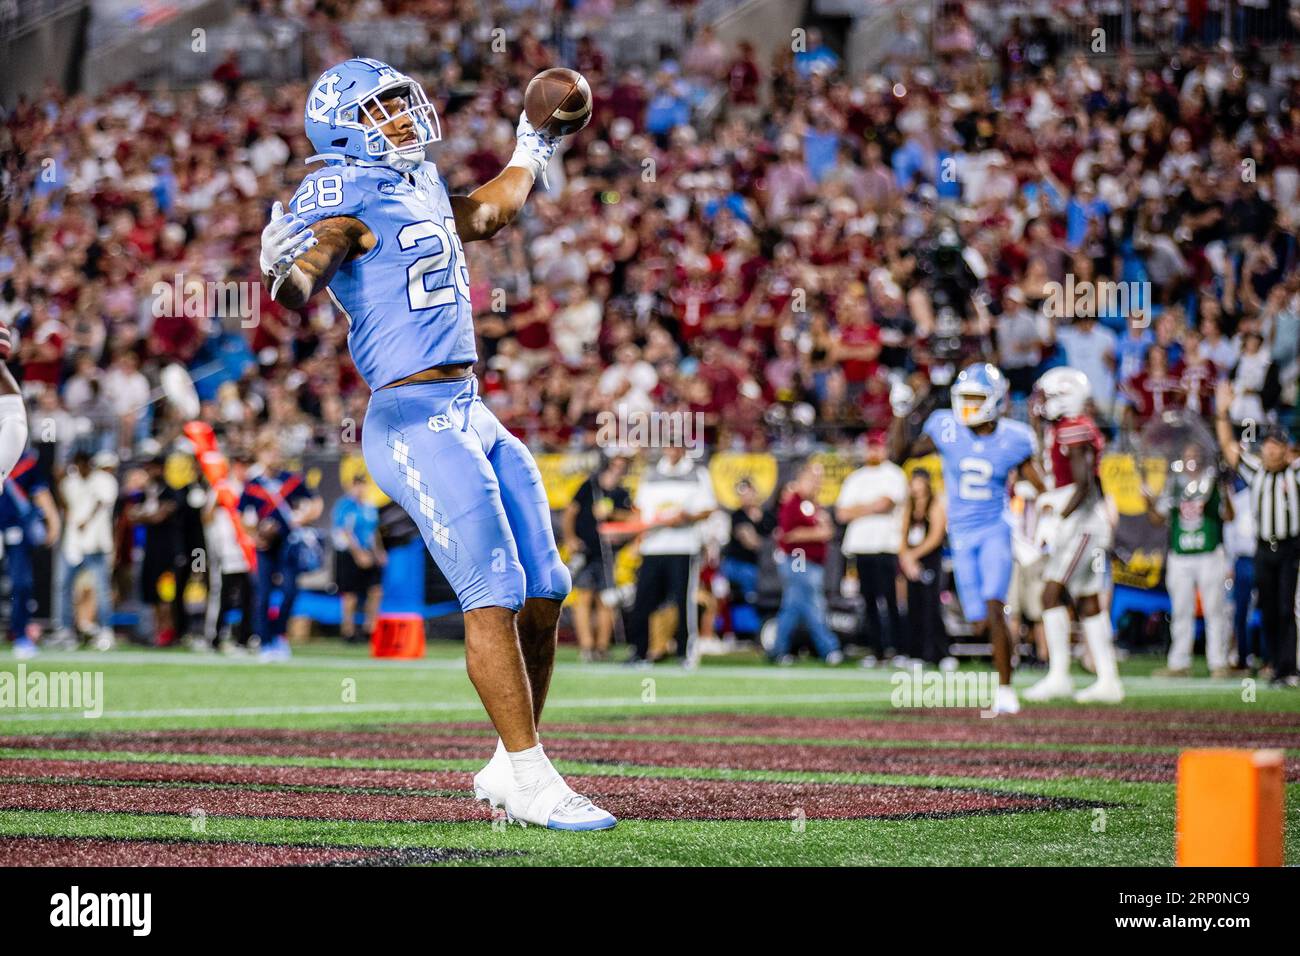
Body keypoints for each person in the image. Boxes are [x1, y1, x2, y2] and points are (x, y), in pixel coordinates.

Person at [259, 58, 614, 829]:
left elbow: (485, 216)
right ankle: (530, 775)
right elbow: (305, 274)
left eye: (400, 101)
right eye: (383, 107)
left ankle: (508, 761)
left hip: (470, 408)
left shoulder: (413, 184)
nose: (402, 115)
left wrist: (533, 147)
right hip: (412, 417)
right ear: (343, 126)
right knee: (493, 590)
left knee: (546, 586)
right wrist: (284, 269)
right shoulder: (339, 191)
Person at [890, 363, 1043, 715]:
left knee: (994, 603)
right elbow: (900, 455)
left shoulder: (1014, 438)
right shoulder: (947, 428)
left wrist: (1051, 506)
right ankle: (1009, 653)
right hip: (960, 535)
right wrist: (899, 414)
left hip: (995, 529)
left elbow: (1040, 482)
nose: (969, 407)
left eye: (977, 399)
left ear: (995, 401)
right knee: (978, 623)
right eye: (965, 398)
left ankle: (1005, 689)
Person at [1024, 367, 1124, 703]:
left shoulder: (1075, 429)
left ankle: (1059, 675)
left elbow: (1083, 485)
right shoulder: (1068, 428)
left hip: (1080, 524)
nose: (1041, 404)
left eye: (1047, 397)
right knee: (1088, 601)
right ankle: (1108, 680)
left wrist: (1058, 519)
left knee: (1050, 595)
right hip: (1086, 521)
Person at [1215, 381, 1300, 687]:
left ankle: (1289, 668)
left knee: (1285, 607)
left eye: (1275, 444)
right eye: (1266, 444)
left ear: (1286, 449)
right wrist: (1222, 412)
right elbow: (1229, 449)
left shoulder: (1294, 473)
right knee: (1267, 607)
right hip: (1262, 548)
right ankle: (1275, 664)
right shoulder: (1257, 471)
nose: (1269, 448)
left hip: (1290, 547)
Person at [1143, 442, 1237, 678]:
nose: (1191, 460)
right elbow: (1158, 518)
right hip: (1181, 555)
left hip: (1208, 552)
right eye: (1188, 455)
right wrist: (1146, 501)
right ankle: (1179, 663)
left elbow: (1229, 515)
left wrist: (1224, 490)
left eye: (1195, 455)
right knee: (1180, 610)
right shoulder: (1174, 484)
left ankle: (1218, 662)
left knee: (1215, 609)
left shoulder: (1212, 482)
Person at [625, 445, 717, 667]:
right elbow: (639, 510)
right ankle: (640, 652)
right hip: (653, 546)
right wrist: (638, 536)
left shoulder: (697, 473)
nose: (672, 450)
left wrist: (686, 517)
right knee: (643, 601)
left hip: (683, 547)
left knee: (683, 602)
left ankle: (685, 652)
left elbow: (707, 509)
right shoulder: (651, 474)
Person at [240, 432, 323, 661]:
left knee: (289, 592)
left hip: (289, 544)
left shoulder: (291, 480)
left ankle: (279, 634)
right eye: (268, 451)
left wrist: (304, 517)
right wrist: (253, 536)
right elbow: (240, 514)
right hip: (265, 546)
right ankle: (264, 640)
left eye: (275, 451)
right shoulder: (253, 485)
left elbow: (316, 502)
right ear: (260, 454)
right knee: (263, 593)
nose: (272, 456)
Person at [835, 432, 907, 663]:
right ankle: (876, 651)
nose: (873, 452)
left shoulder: (893, 474)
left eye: (877, 447)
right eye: (870, 448)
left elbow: (886, 503)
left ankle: (897, 648)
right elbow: (842, 513)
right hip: (861, 547)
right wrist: (871, 507)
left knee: (891, 600)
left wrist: (859, 508)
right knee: (868, 601)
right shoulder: (856, 477)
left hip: (886, 545)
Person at [771, 461, 844, 666]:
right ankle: (829, 648)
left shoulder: (813, 505)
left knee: (793, 605)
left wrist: (822, 529)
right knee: (812, 603)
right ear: (801, 479)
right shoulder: (793, 502)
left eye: (819, 480)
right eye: (812, 479)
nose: (817, 484)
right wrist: (818, 533)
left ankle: (777, 649)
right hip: (798, 558)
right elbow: (787, 535)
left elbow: (827, 529)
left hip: (811, 560)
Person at [562, 454, 632, 662]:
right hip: (585, 550)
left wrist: (612, 513)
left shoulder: (622, 493)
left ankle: (602, 647)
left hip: (608, 554)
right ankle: (586, 647)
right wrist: (570, 538)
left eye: (622, 466)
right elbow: (570, 512)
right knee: (583, 597)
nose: (618, 470)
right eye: (615, 465)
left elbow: (632, 518)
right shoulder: (589, 486)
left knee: (606, 600)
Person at [54, 450, 117, 649]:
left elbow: (102, 502)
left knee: (101, 588)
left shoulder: (103, 479)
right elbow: (64, 505)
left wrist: (86, 521)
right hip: (73, 544)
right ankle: (65, 630)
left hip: (95, 543)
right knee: (64, 586)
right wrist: (58, 483)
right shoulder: (70, 482)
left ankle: (106, 630)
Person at [897, 470, 947, 665]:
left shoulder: (934, 505)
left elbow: (935, 537)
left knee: (930, 606)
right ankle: (915, 653)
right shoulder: (909, 507)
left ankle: (939, 653)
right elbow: (902, 536)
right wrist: (906, 559)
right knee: (914, 606)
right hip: (912, 563)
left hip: (929, 561)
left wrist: (913, 555)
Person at [331, 473, 386, 645]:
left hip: (368, 552)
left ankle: (370, 628)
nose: (360, 488)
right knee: (350, 594)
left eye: (363, 485)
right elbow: (346, 532)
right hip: (348, 554)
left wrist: (379, 552)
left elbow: (374, 532)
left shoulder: (370, 507)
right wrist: (358, 554)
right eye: (357, 485)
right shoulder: (345, 506)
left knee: (376, 590)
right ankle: (348, 631)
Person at [720, 477, 775, 643]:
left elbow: (779, 539)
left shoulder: (767, 516)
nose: (745, 497)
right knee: (754, 580)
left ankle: (766, 626)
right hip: (738, 564)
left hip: (765, 565)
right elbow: (751, 542)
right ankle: (755, 630)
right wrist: (767, 543)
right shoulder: (738, 516)